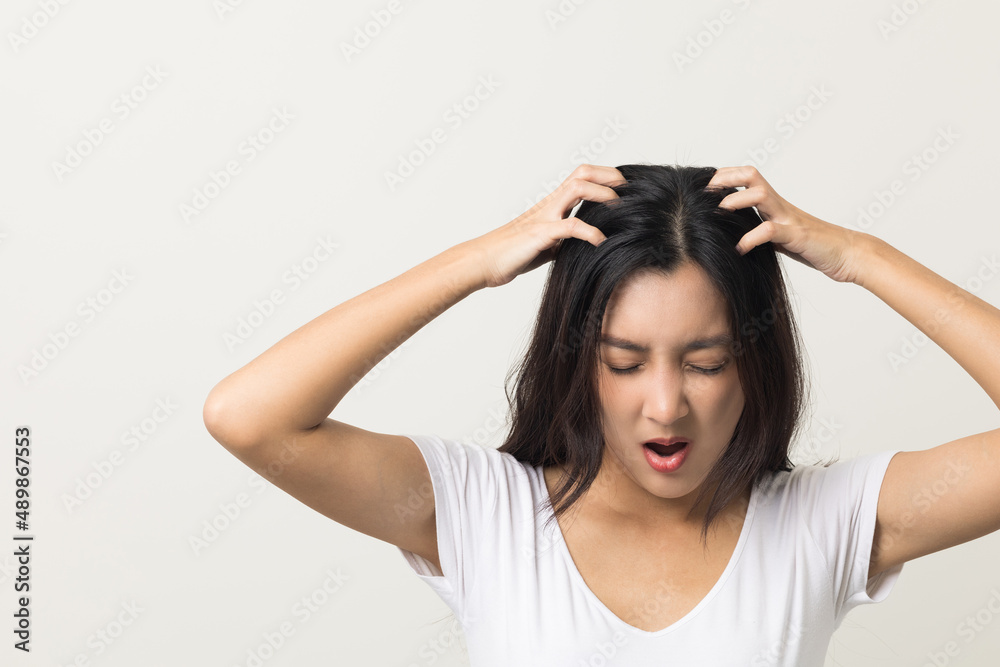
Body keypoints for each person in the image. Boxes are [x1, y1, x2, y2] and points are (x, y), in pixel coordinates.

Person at [203, 163, 1000, 665]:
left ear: (754, 362)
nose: (665, 404)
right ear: (578, 361)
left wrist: (859, 256)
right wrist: (485, 259)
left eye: (706, 362)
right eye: (624, 361)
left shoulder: (824, 523)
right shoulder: (488, 514)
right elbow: (249, 417)